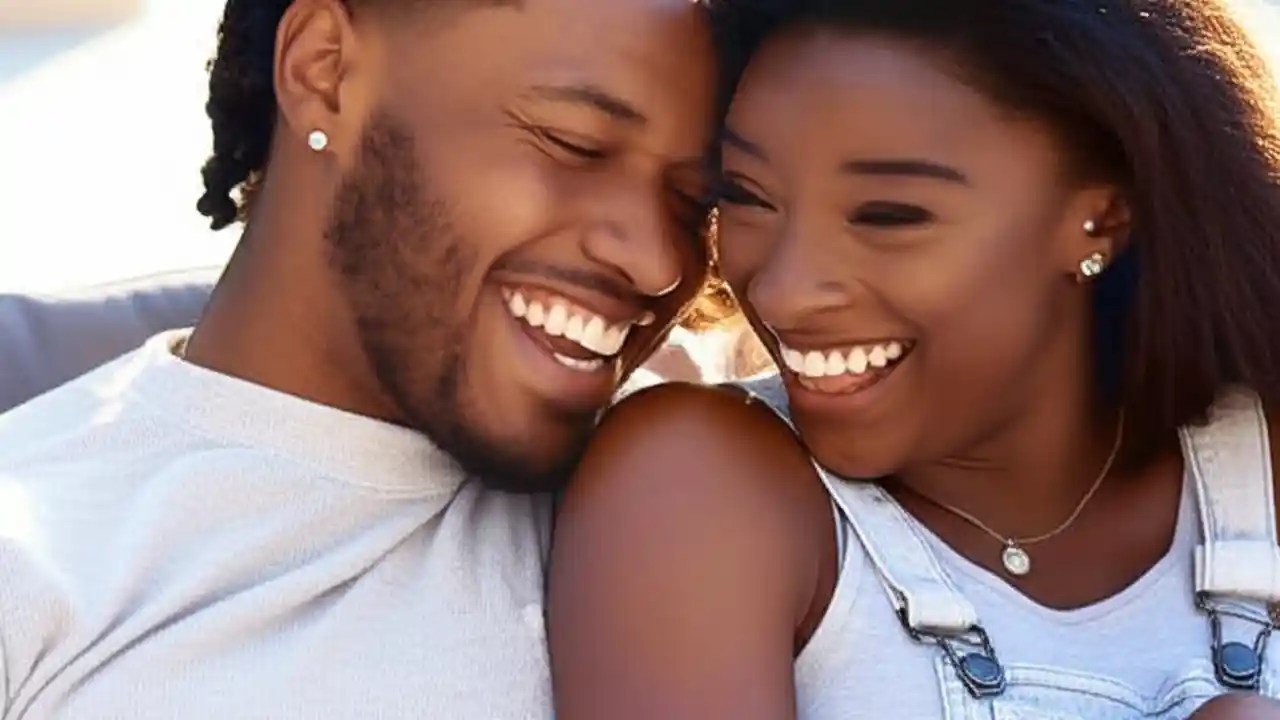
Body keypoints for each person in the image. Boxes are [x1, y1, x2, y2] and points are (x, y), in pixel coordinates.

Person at [547, 1, 1280, 718]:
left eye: (888, 215)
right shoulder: (698, 483)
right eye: (746, 197)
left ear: (1099, 221)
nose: (784, 291)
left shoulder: (1259, 464)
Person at [0, 0, 725, 716]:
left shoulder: (716, 509)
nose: (660, 261)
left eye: (696, 204)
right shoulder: (33, 554)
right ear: (325, 72)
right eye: (574, 143)